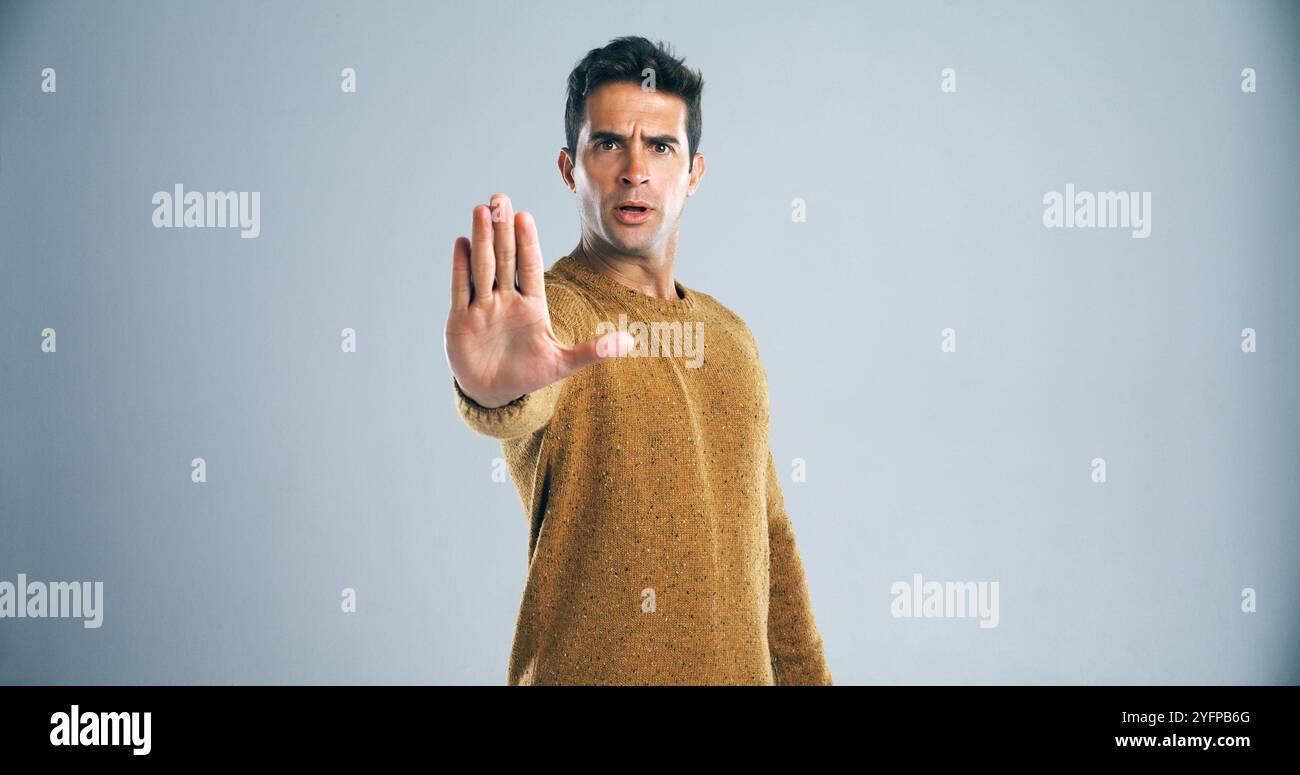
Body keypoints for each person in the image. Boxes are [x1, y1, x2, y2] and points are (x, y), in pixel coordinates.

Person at [444, 35, 832, 685]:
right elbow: (523, 397)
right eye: (608, 144)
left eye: (660, 146)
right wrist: (493, 391)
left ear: (694, 172)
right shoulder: (554, 319)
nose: (635, 170)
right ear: (570, 169)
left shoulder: (732, 338)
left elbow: (773, 544)